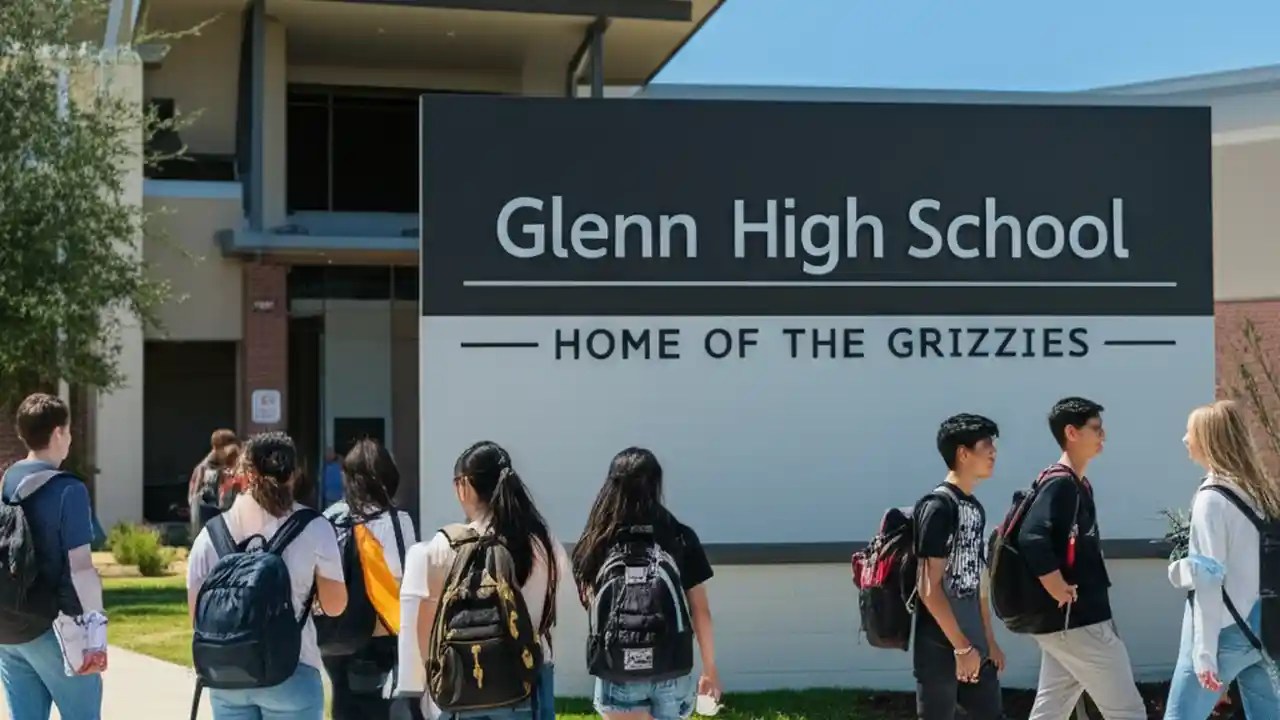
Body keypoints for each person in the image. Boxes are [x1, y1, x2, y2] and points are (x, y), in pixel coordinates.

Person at [395, 441, 568, 720]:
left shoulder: (443, 546)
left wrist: (426, 681)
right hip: (526, 679)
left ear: (464, 485)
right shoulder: (544, 544)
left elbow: (424, 626)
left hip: (462, 684)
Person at [186, 431, 348, 719]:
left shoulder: (209, 535)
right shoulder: (314, 528)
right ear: (294, 474)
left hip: (228, 676)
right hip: (293, 671)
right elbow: (336, 606)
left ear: (244, 473)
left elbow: (196, 616)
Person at [570, 447, 721, 720]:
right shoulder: (680, 537)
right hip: (671, 666)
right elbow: (700, 611)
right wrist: (710, 670)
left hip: (617, 667)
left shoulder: (596, 541)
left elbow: (593, 606)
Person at [1020, 397, 1146, 720]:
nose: (1103, 435)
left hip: (1068, 623)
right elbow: (1032, 538)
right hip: (1081, 621)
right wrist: (1056, 586)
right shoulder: (1061, 484)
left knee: (1051, 709)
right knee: (1128, 711)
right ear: (1071, 433)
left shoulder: (1076, 484)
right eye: (1096, 428)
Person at [1163, 400, 1280, 719]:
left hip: (1224, 631)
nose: (1185, 440)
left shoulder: (1211, 498)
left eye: (1190, 433)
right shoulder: (1260, 493)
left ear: (1209, 439)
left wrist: (1203, 653)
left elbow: (1208, 578)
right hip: (1265, 629)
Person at [0, 393, 105, 720]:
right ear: (58, 433)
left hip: (8, 624)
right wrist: (95, 632)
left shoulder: (7, 479)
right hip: (54, 625)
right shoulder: (69, 489)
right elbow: (81, 568)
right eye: (69, 430)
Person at [912, 414, 1005, 720]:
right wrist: (961, 649)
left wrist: (988, 641)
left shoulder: (974, 507)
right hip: (940, 642)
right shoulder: (938, 507)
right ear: (963, 453)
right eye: (986, 445)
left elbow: (977, 581)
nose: (993, 452)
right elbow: (928, 588)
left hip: (973, 639)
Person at [322, 439, 417, 719]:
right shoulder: (399, 522)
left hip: (336, 634)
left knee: (343, 704)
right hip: (381, 634)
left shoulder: (329, 519)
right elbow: (405, 581)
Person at [188, 429, 240, 538]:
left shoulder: (232, 466)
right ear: (216, 448)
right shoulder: (203, 469)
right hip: (207, 526)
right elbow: (194, 500)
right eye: (225, 448)